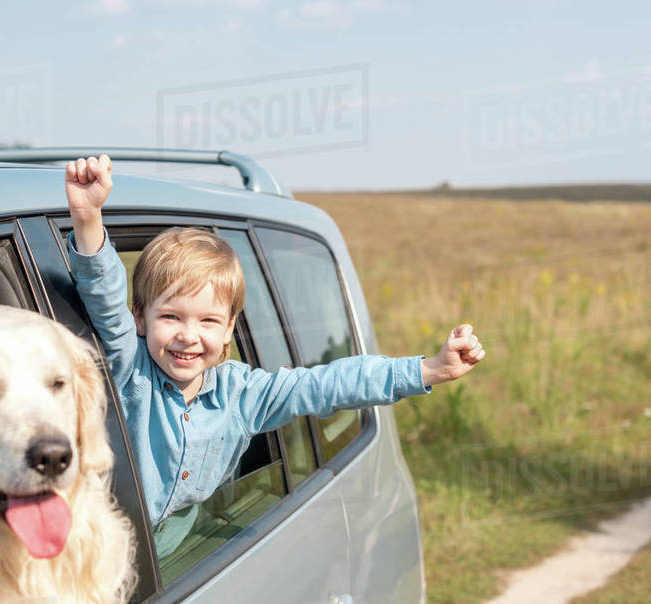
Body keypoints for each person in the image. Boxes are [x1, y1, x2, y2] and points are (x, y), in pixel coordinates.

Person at [64, 154, 485, 557]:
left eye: (208, 321)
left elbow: (328, 385)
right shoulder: (129, 367)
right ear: (140, 319)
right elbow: (104, 298)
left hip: (169, 555)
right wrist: (88, 218)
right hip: (95, 548)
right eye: (171, 316)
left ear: (230, 328)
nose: (188, 336)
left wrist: (429, 369)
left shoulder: (243, 394)